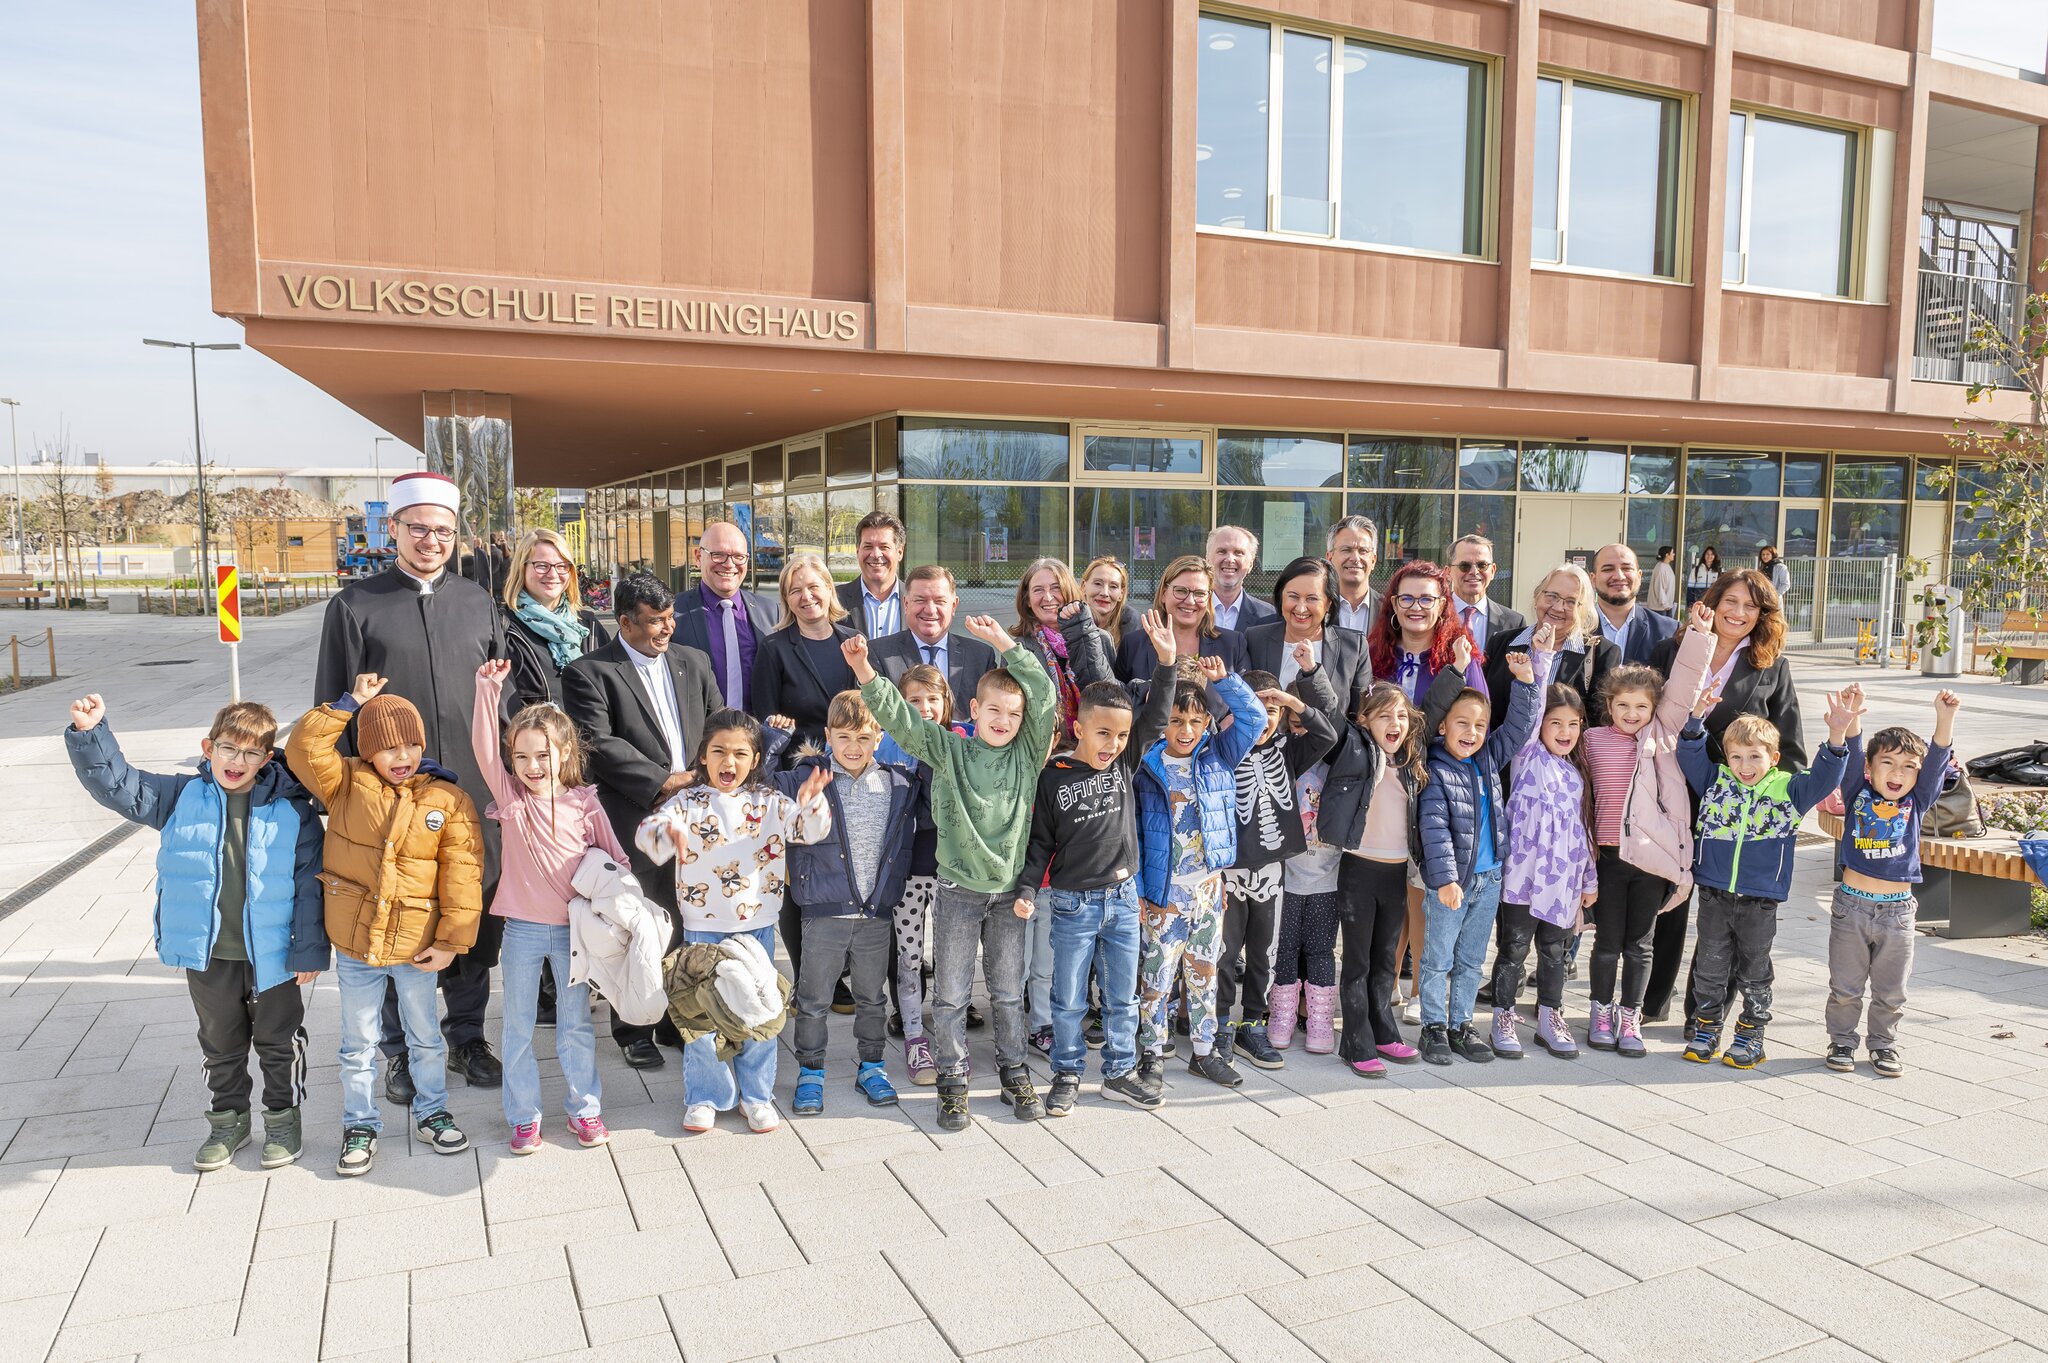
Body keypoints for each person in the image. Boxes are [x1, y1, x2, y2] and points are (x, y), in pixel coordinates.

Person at [66, 694, 325, 1172]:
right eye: (228, 749)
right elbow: (117, 785)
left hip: (275, 953)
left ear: (267, 758)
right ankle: (228, 1121)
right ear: (208, 748)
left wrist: (309, 950)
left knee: (278, 1039)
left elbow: (311, 885)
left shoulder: (294, 809)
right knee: (220, 1040)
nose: (237, 761)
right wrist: (91, 733)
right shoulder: (179, 796)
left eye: (251, 753)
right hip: (208, 953)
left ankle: (283, 1119)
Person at [313, 469, 506, 1098]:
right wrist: (344, 796)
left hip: (473, 791)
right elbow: (331, 705)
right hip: (389, 797)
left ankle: (469, 1035)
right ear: (392, 528)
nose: (431, 540)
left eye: (443, 531)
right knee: (396, 913)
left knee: (467, 907)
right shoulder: (355, 604)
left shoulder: (478, 601)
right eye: (418, 528)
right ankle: (397, 1050)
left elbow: (500, 699)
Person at [850, 616, 1057, 1132]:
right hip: (958, 892)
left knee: (1008, 991)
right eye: (994, 710)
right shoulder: (951, 751)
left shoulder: (1028, 755)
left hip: (1010, 896)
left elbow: (1045, 696)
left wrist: (1004, 645)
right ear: (973, 710)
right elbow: (904, 723)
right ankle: (952, 1079)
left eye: (1013, 713)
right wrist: (865, 673)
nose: (1004, 720)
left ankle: (1013, 1070)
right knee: (951, 993)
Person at [288, 674, 484, 1177]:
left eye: (411, 745)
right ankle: (360, 1121)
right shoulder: (345, 783)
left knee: (424, 1035)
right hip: (356, 942)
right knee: (358, 1039)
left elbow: (463, 873)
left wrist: (451, 941)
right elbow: (304, 747)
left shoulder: (446, 798)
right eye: (389, 747)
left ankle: (433, 1111)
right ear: (368, 750)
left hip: (418, 944)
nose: (402, 757)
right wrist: (351, 703)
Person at [637, 710, 833, 1134]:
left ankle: (757, 1094)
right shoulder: (686, 802)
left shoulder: (770, 801)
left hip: (756, 923)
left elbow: (808, 830)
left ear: (756, 757)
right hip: (702, 925)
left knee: (758, 1009)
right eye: (718, 752)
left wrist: (812, 802)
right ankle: (706, 1095)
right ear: (703, 757)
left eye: (740, 753)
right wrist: (662, 834)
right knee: (700, 1014)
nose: (729, 761)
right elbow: (650, 830)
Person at [1014, 614, 1179, 1114]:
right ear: (1079, 727)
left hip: (1124, 900)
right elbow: (1039, 843)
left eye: (1121, 736)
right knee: (1068, 999)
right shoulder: (1055, 776)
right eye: (1103, 733)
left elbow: (1155, 717)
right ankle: (1066, 1072)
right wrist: (1026, 890)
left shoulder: (1126, 763)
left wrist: (1167, 662)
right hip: (1071, 905)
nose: (1112, 744)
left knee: (1121, 996)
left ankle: (1120, 1072)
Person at [562, 572, 723, 1068]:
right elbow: (597, 742)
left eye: (670, 617)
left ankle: (677, 1017)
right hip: (635, 817)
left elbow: (717, 719)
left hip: (697, 816)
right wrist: (663, 780)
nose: (667, 628)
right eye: (655, 622)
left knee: (687, 917)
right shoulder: (589, 672)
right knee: (637, 922)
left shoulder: (693, 661)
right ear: (625, 622)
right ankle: (633, 1027)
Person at [470, 661, 631, 1153]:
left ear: (564, 754)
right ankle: (523, 1117)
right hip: (520, 931)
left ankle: (586, 1110)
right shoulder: (512, 799)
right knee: (516, 1027)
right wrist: (487, 691)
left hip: (574, 933)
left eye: (543, 755)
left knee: (576, 1024)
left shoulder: (586, 803)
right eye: (521, 757)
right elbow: (482, 746)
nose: (532, 766)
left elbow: (618, 862)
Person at [1643, 568, 1804, 1020]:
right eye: (1730, 601)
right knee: (1668, 900)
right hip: (1670, 792)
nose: (1738, 613)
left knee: (1723, 910)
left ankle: (1705, 1012)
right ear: (1713, 602)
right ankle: (1652, 1002)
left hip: (1736, 808)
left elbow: (1788, 743)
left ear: (1762, 615)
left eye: (1750, 606)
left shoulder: (1770, 666)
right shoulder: (1672, 648)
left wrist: (1787, 802)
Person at [1677, 689, 1852, 1069]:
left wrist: (1837, 734)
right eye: (1736, 756)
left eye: (1754, 756)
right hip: (1714, 893)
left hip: (1759, 899)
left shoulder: (1787, 789)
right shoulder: (1714, 781)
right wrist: (1697, 717)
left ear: (1772, 759)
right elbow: (1689, 751)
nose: (1744, 765)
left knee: (1755, 970)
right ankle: (1706, 1027)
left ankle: (1751, 1033)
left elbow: (1825, 776)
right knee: (1709, 965)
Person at [1579, 604, 1713, 1055]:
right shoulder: (1592, 741)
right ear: (1609, 706)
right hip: (1610, 858)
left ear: (1654, 709)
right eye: (1623, 705)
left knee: (1640, 944)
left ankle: (1631, 1016)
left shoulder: (1663, 735)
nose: (1632, 713)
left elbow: (1685, 683)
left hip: (1652, 860)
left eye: (1641, 706)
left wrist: (1697, 634)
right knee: (1607, 942)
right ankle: (1601, 1009)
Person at [778, 692, 917, 1116]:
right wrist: (772, 738)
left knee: (872, 997)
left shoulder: (898, 782)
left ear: (878, 736)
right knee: (814, 997)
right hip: (824, 910)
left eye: (862, 736)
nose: (852, 747)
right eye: (842, 737)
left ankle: (872, 1066)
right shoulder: (809, 776)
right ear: (827, 737)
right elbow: (761, 780)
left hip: (876, 912)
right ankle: (811, 1071)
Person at [1414, 628, 1548, 1065]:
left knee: (1472, 959)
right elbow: (1433, 832)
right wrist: (1446, 880)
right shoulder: (1435, 769)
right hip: (1452, 884)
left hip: (1489, 878)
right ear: (1443, 726)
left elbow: (1519, 728)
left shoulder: (1488, 758)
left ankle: (1461, 1023)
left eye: (1479, 725)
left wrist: (1527, 683)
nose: (1471, 733)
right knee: (1438, 959)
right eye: (1461, 724)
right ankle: (1434, 1026)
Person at [1134, 656, 1267, 1093]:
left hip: (1209, 889)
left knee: (1205, 974)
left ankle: (1206, 1052)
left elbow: (1255, 717)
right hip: (1163, 893)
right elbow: (1133, 834)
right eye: (1175, 721)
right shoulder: (1146, 767)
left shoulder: (1217, 756)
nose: (1186, 730)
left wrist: (1225, 681)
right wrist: (1139, 891)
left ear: (1208, 722)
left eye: (1195, 720)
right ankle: (1152, 1052)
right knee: (1157, 977)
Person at [1322, 682, 1460, 1077]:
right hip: (1358, 871)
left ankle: (1383, 1030)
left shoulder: (1412, 760)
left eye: (1401, 715)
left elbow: (1431, 707)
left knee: (1386, 960)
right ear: (1365, 721)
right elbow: (1330, 712)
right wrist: (1312, 670)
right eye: (1383, 715)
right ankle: (1355, 1039)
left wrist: (1457, 671)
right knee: (1358, 961)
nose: (1394, 723)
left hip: (1395, 871)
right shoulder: (1358, 752)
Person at [1372, 561, 1487, 1020]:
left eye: (1427, 599)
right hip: (1382, 786)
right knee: (1387, 885)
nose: (1416, 607)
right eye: (1407, 599)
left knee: (1421, 889)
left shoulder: (1462, 658)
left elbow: (1476, 727)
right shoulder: (1378, 654)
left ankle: (1421, 988)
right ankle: (1384, 984)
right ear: (1393, 607)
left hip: (1435, 787)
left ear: (1444, 606)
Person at [1826, 688, 1960, 1079]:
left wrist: (1944, 717)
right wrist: (1851, 716)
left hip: (1898, 914)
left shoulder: (1916, 802)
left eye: (1907, 767)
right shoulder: (1857, 793)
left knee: (1891, 991)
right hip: (1851, 907)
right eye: (1887, 764)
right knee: (1845, 987)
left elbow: (1936, 762)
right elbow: (1849, 752)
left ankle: (1883, 1045)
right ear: (1870, 768)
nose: (1897, 774)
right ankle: (1842, 1041)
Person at [1233, 659, 1339, 1064]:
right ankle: (1225, 1023)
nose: (1262, 719)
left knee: (1265, 951)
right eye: (1253, 709)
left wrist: (1293, 702)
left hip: (1271, 869)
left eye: (1271, 711)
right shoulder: (1226, 747)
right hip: (1230, 871)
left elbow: (1326, 734)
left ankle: (1253, 1024)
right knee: (1226, 953)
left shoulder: (1287, 750)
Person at [876, 664, 975, 1084]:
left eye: (932, 698)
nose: (924, 707)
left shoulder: (963, 740)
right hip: (910, 869)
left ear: (946, 701)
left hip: (954, 868)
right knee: (910, 955)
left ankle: (950, 1039)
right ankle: (914, 1035)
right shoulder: (889, 743)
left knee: (954, 957)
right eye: (913, 700)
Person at [1490, 684, 1599, 1061]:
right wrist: (1542, 657)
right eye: (1556, 723)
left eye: (1573, 723)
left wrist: (1589, 881)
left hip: (1563, 884)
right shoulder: (1528, 757)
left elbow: (1584, 835)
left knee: (1555, 952)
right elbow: (1530, 708)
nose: (1565, 731)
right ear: (1541, 726)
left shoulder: (1578, 776)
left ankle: (1550, 1016)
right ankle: (1502, 1014)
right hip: (1522, 878)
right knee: (1514, 948)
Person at [751, 553, 860, 757]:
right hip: (797, 771)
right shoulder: (773, 648)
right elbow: (767, 723)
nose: (806, 596)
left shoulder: (853, 641)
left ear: (829, 588)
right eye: (795, 591)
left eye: (813, 587)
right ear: (786, 599)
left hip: (852, 764)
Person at [1485, 565, 1620, 727]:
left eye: (1571, 602)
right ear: (1536, 597)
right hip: (1501, 751)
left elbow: (1598, 722)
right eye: (1551, 596)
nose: (1558, 607)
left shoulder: (1602, 653)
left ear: (1584, 611)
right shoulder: (1501, 643)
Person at [1242, 556, 1373, 722]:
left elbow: (1361, 715)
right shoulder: (1255, 639)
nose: (1301, 607)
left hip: (1332, 746)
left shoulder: (1353, 647)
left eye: (1312, 598)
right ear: (1281, 596)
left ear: (1329, 603)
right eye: (1293, 596)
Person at [501, 528, 612, 710]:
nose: (553, 574)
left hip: (591, 737)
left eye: (562, 566)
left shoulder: (589, 626)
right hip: (537, 737)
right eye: (542, 565)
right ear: (522, 568)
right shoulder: (504, 628)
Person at [1011, 558, 1113, 746]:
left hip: (1097, 751)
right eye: (1038, 590)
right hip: (1045, 756)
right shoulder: (1018, 649)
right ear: (1027, 600)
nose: (1048, 597)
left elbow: (1115, 700)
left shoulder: (1101, 639)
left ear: (1069, 591)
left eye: (1056, 587)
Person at [675, 520, 774, 713]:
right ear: (698, 556)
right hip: (698, 737)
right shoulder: (673, 612)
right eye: (718, 555)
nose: (729, 565)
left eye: (738, 557)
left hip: (756, 735)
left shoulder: (770, 612)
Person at [871, 565, 1001, 704]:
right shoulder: (878, 653)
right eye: (920, 600)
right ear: (906, 604)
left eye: (940, 601)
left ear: (954, 606)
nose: (930, 610)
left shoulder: (980, 656)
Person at [1114, 556, 1250, 689]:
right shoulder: (1133, 644)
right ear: (1163, 594)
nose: (1190, 601)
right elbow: (1118, 705)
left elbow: (1249, 705)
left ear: (1209, 598)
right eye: (1180, 591)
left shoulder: (1233, 644)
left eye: (1199, 594)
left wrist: (1225, 683)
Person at [1590, 544, 1680, 665]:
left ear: (1639, 576)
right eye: (1608, 569)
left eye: (1627, 568)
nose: (1619, 576)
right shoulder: (1574, 630)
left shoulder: (1669, 632)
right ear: (1593, 579)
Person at [1445, 535, 1525, 657]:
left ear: (1492, 571)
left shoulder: (1514, 623)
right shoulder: (1433, 616)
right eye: (1465, 566)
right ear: (1448, 572)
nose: (1474, 572)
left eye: (1482, 565)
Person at [837, 510, 907, 639]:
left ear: (900, 552)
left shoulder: (916, 601)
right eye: (868, 547)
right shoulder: (834, 600)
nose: (875, 555)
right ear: (857, 551)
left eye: (884, 547)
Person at [1208, 525, 1275, 633]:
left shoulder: (1269, 617)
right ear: (1207, 558)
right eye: (1222, 551)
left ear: (1251, 564)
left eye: (1238, 553)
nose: (1230, 559)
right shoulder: (1189, 610)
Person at [1326, 516, 1381, 633]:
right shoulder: (1315, 608)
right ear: (1329, 558)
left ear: (1373, 560)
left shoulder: (1390, 611)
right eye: (1346, 550)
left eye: (1363, 551)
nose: (1355, 558)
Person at [1081, 555, 1139, 650]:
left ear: (1121, 593)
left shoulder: (1135, 630)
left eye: (1113, 586)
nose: (1104, 593)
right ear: (1084, 587)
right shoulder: (1066, 623)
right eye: (1098, 584)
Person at [1646, 545, 1680, 618]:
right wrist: (1665, 604)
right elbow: (1659, 588)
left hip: (1666, 606)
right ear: (1667, 555)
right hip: (1660, 608)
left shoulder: (1666, 566)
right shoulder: (1660, 568)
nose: (1674, 554)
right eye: (1672, 552)